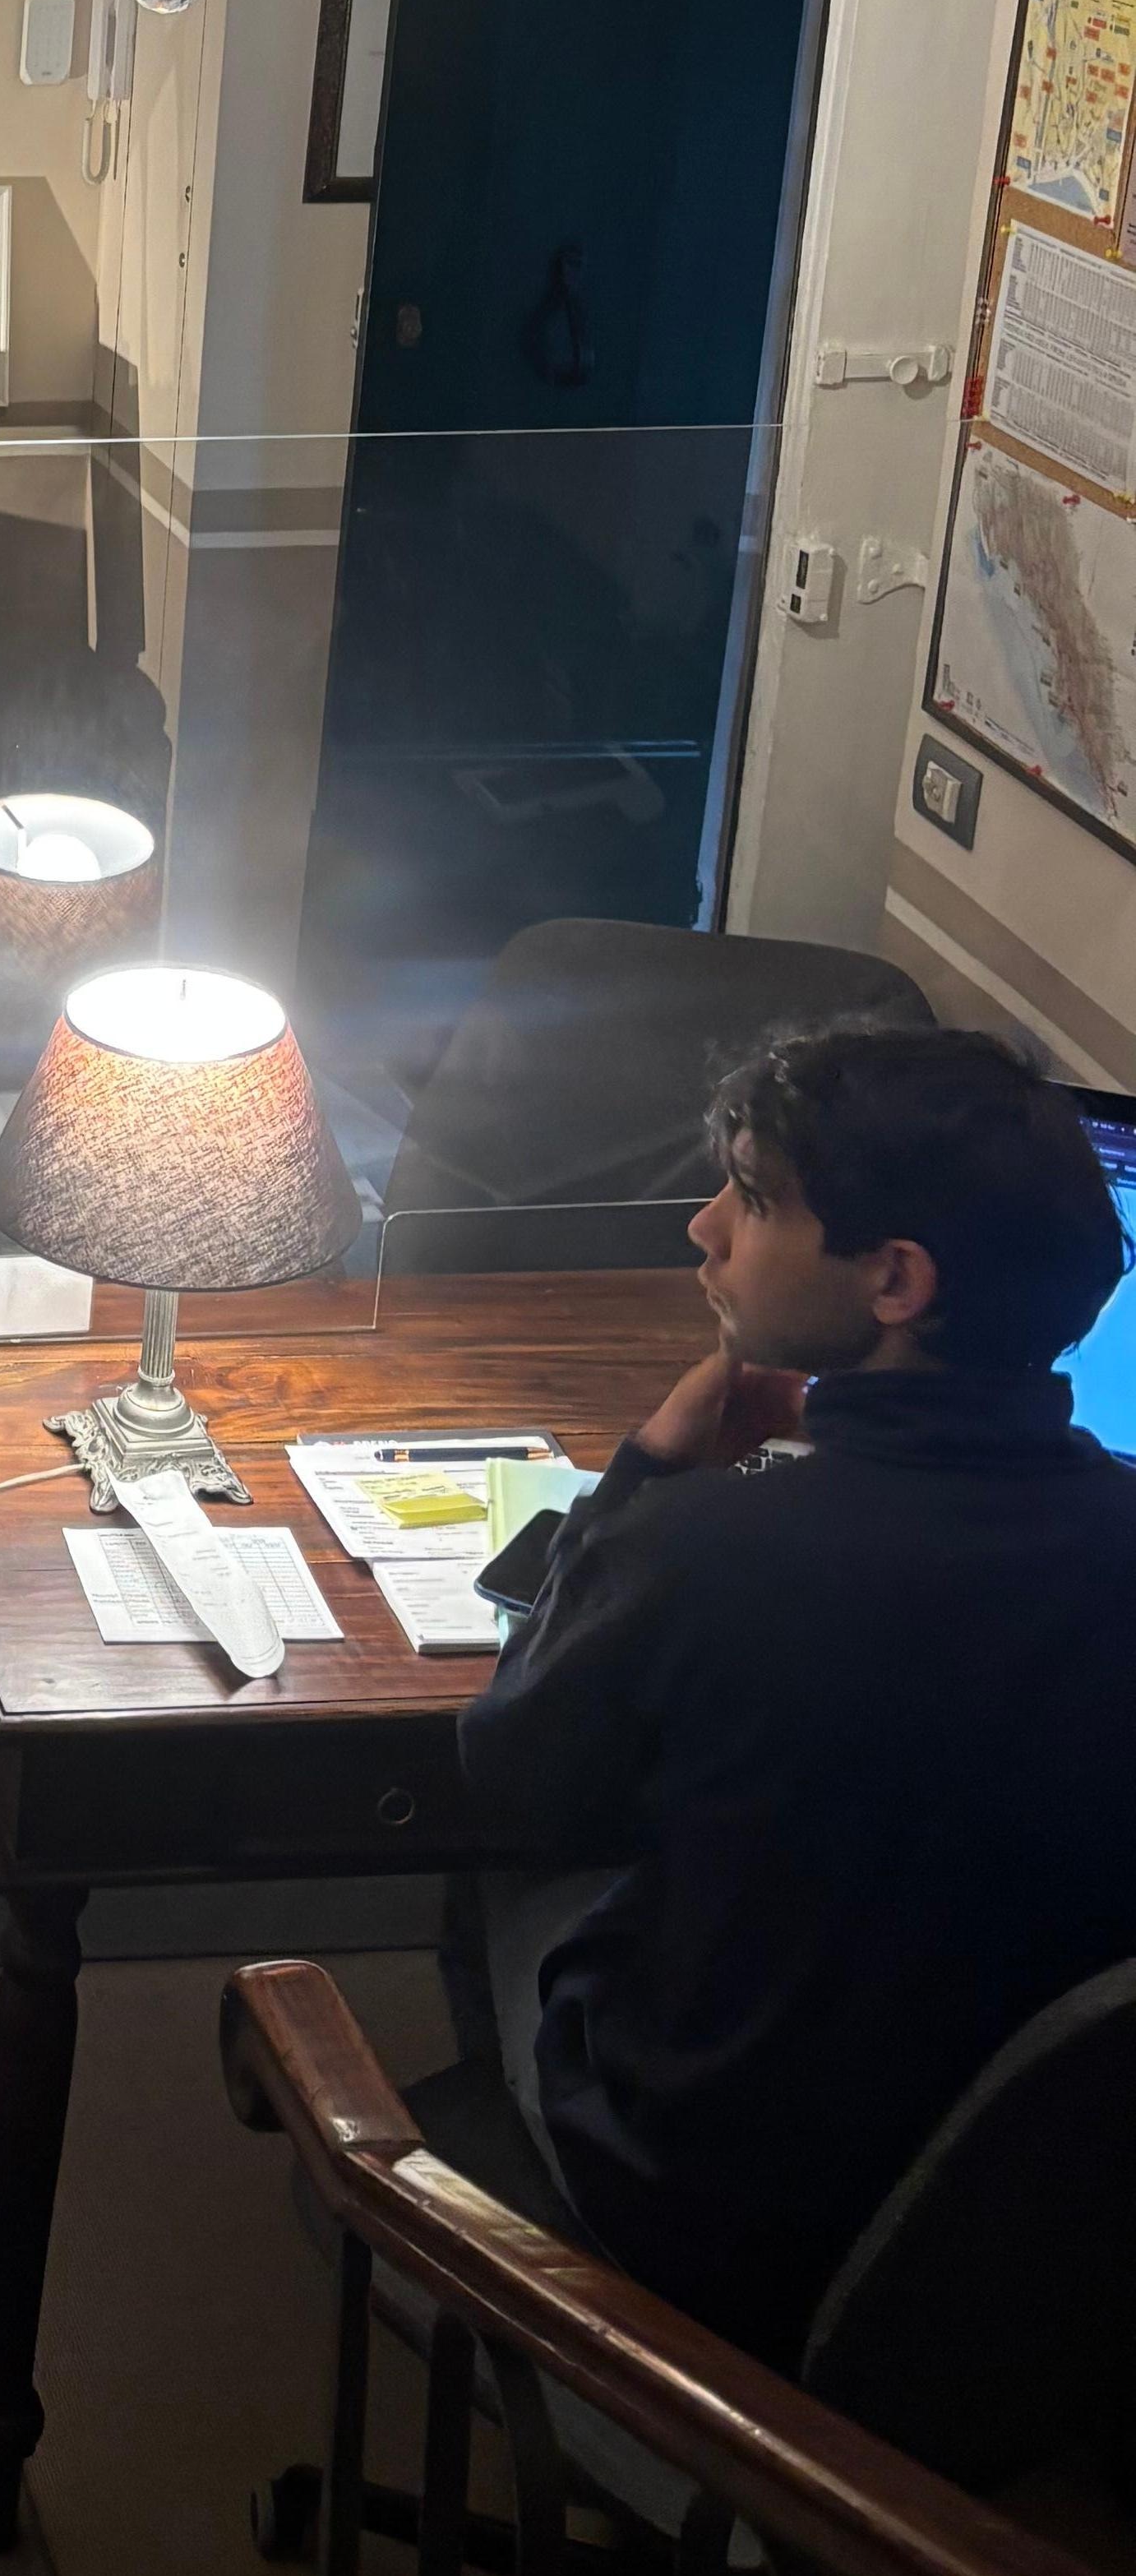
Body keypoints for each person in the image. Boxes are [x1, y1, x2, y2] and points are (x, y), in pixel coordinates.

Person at [437, 1015, 1136, 2372]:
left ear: (893, 1278)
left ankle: (508, 2235)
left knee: (505, 1870)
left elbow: (507, 1783)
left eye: (752, 1199)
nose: (703, 1229)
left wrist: (643, 1478)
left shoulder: (705, 1550)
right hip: (1025, 2258)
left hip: (711, 2226)